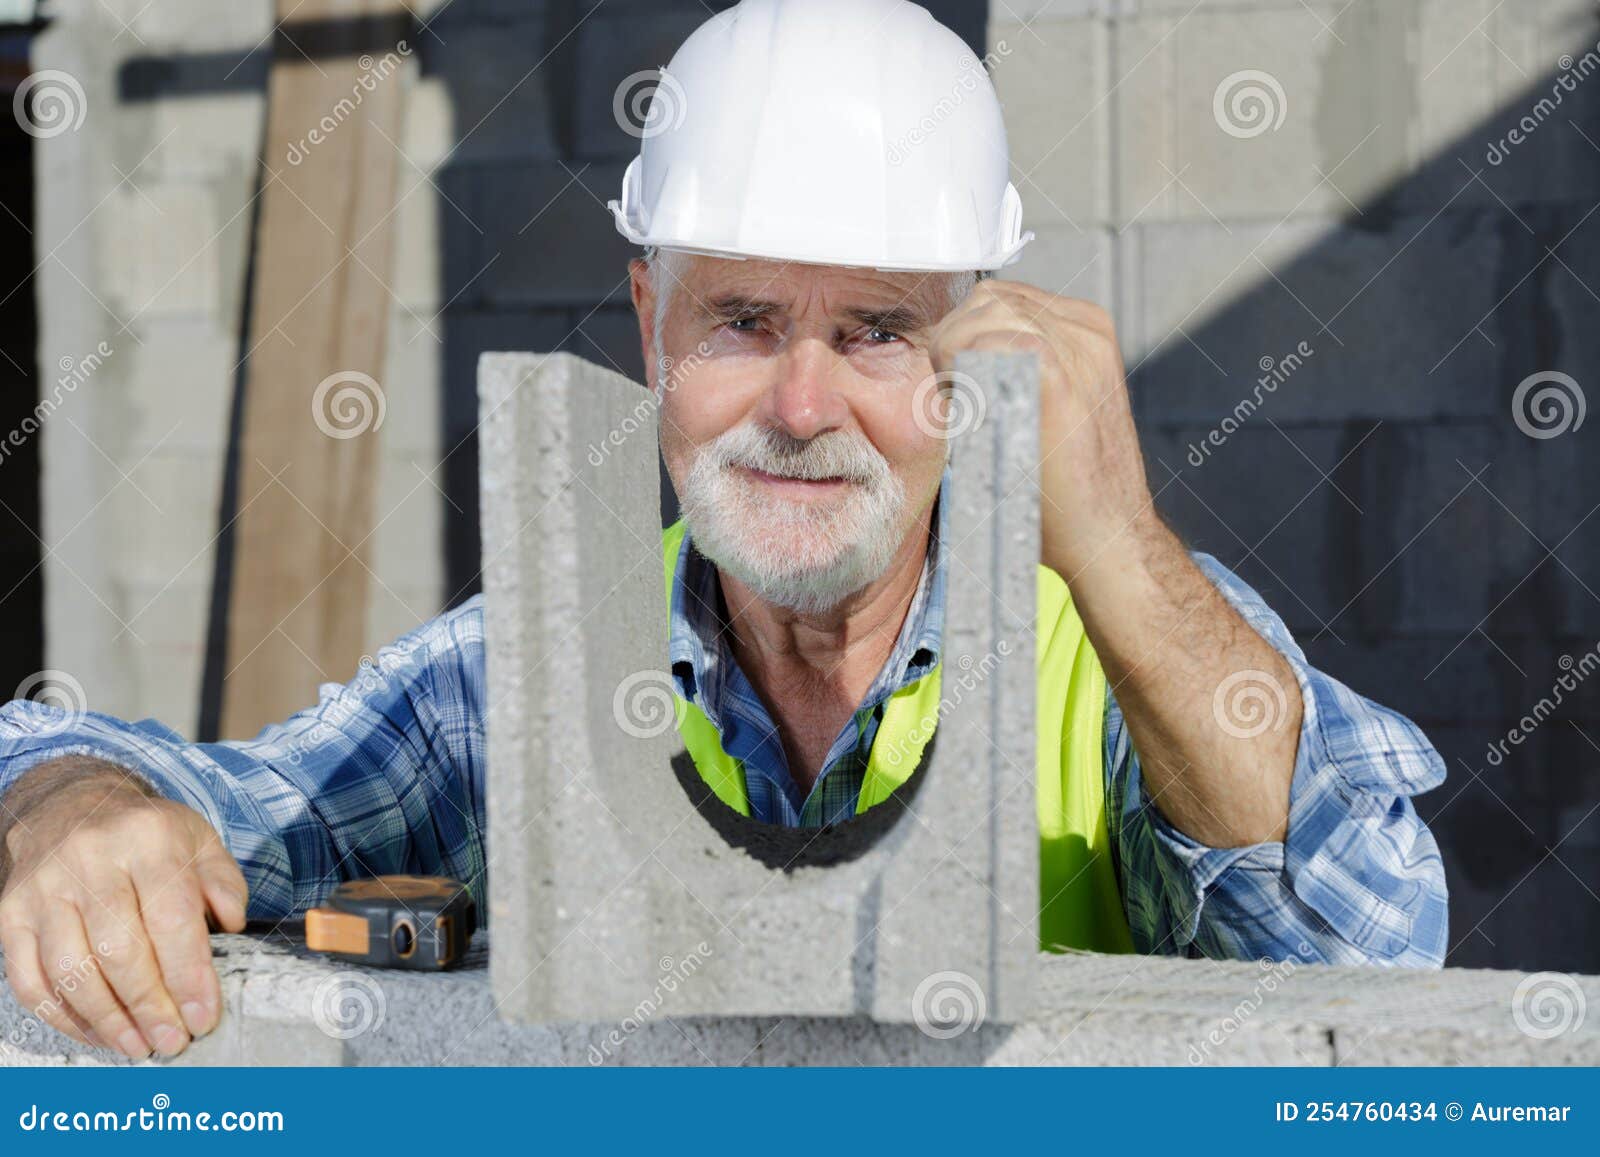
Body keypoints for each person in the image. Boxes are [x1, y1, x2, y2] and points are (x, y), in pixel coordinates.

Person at [0, 0, 1447, 1061]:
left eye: (878, 329)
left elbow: (1374, 968)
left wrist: (1121, 543)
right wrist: (70, 807)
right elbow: (227, 803)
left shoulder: (1116, 648)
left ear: (984, 350)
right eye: (742, 321)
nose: (803, 403)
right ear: (651, 330)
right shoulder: (529, 672)